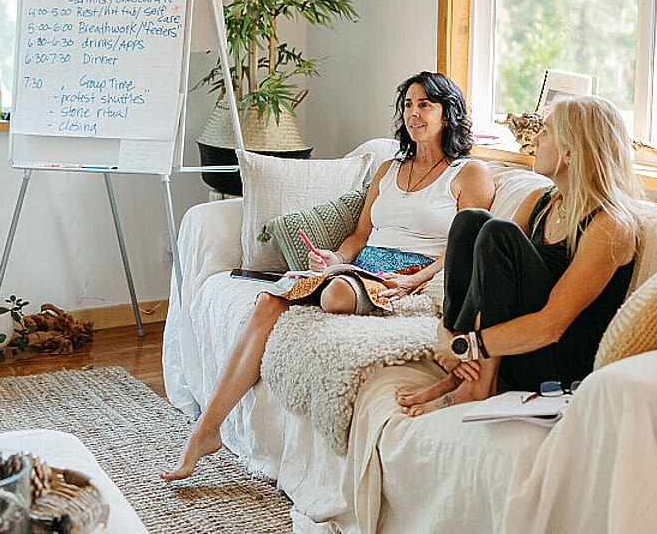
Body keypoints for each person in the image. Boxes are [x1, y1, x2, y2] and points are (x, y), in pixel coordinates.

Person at [161, 71, 495, 481]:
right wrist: (333, 256)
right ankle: (206, 430)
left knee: (336, 293)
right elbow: (360, 234)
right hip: (361, 266)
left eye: (425, 104)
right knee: (269, 301)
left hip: (410, 274)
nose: (414, 113)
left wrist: (415, 280)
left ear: (449, 113)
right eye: (408, 105)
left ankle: (332, 286)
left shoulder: (468, 173)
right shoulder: (390, 168)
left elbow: (463, 248)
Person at [397, 94, 643, 416]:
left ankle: (478, 384)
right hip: (508, 348)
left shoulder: (610, 225)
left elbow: (552, 326)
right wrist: (448, 335)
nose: (536, 138)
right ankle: (463, 376)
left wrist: (467, 346)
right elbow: (488, 273)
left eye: (547, 130)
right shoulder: (541, 200)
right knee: (473, 221)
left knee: (499, 233)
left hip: (557, 358)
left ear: (570, 151)